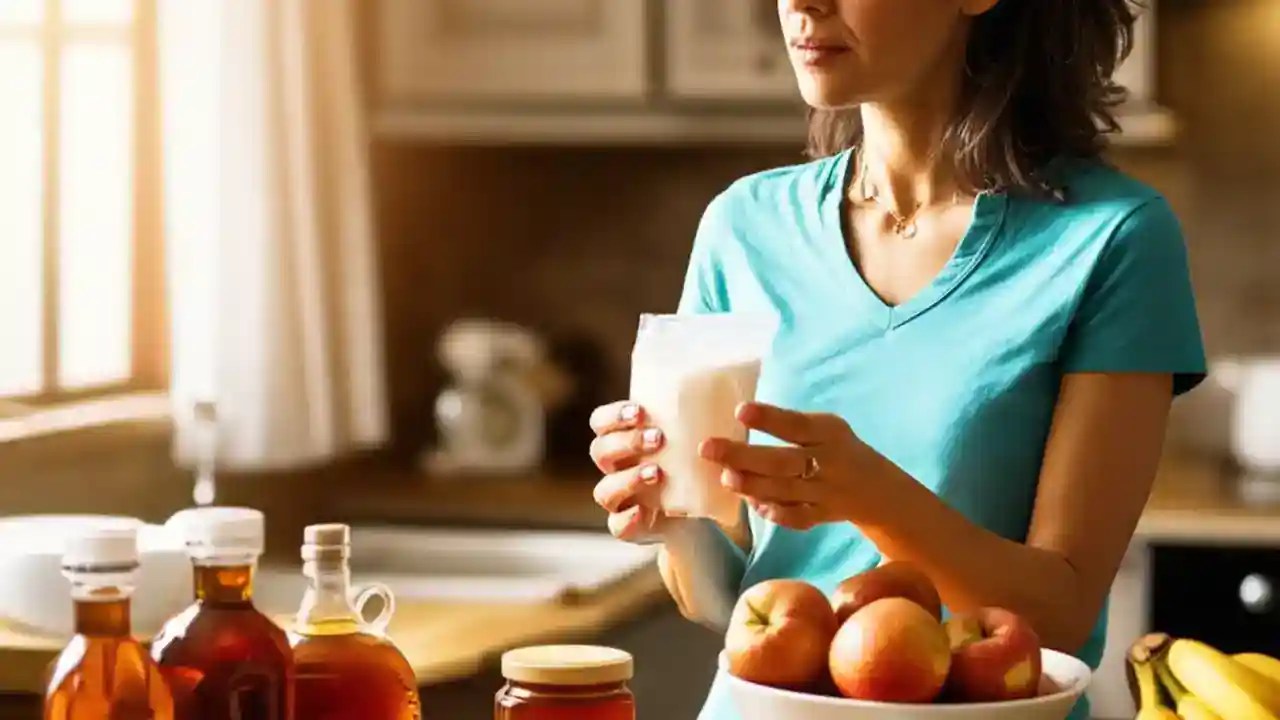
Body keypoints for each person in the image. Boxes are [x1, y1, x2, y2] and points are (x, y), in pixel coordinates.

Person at [589, 1, 1206, 719]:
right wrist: (668, 515)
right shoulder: (743, 227)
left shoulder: (1112, 239)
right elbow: (728, 600)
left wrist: (869, 494)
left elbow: (1058, 617)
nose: (800, 4)